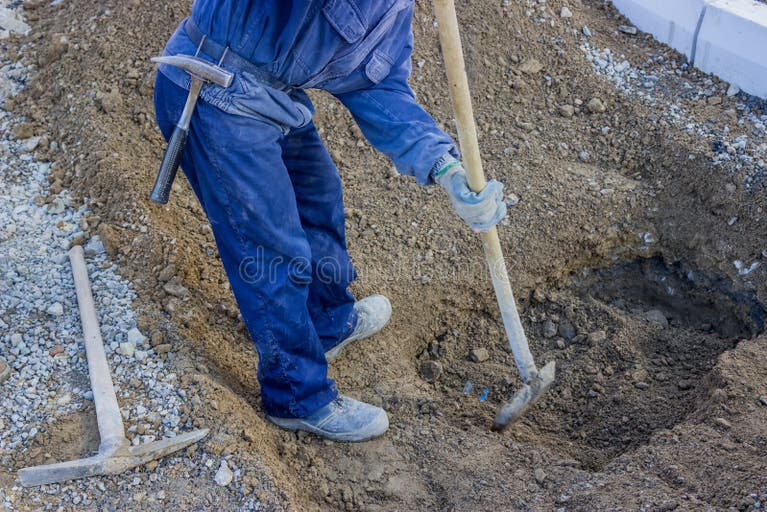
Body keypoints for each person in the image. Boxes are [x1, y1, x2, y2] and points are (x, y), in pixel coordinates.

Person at [154, 0, 506, 442]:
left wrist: (446, 168)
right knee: (272, 254)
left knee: (319, 197)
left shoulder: (391, 10)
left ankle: (325, 323)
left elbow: (382, 89)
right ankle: (296, 396)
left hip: (275, 99)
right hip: (214, 90)